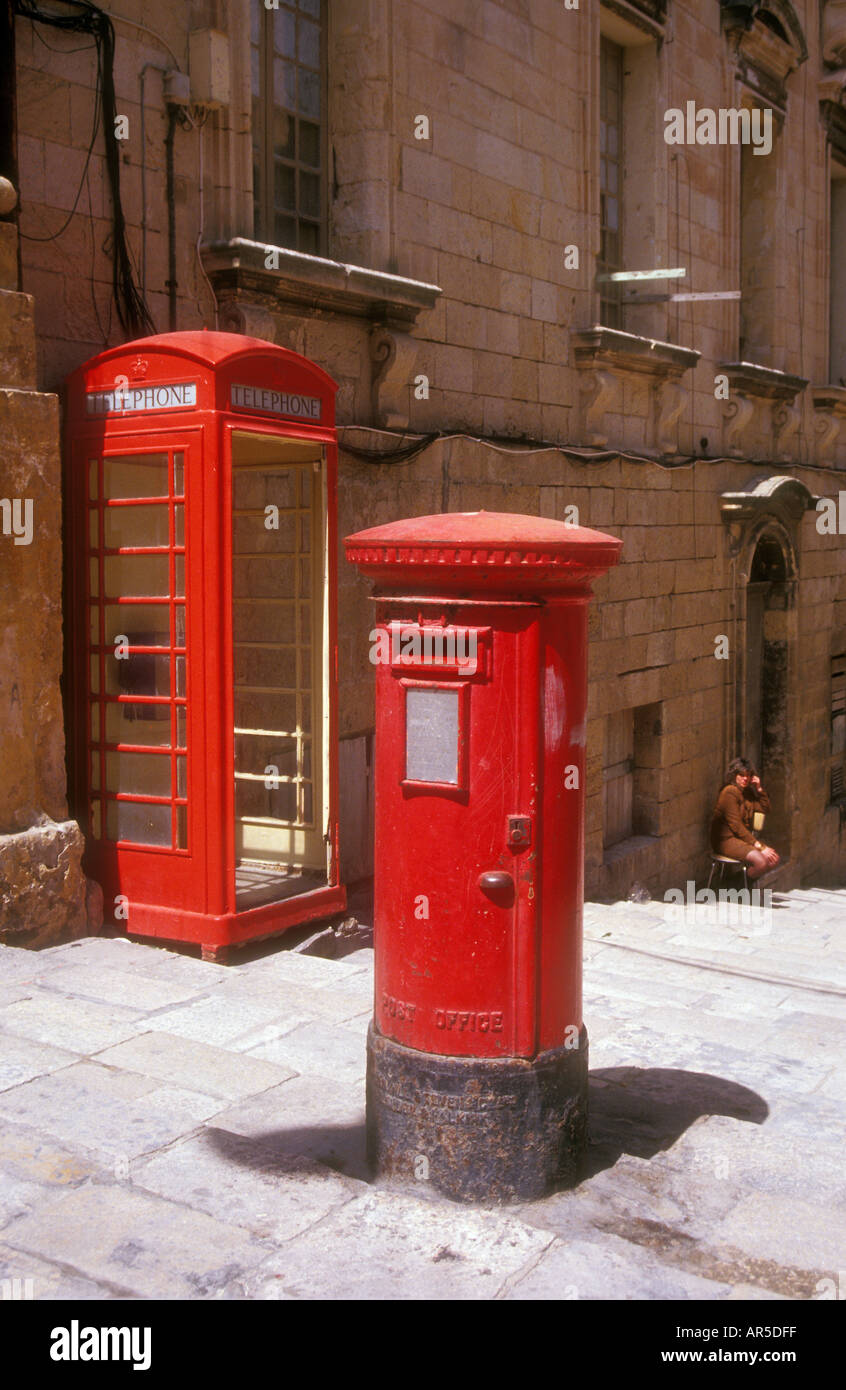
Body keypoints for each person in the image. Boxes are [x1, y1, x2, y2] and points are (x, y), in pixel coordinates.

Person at [710, 757, 780, 882]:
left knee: (773, 859)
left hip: (741, 839)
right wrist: (760, 846)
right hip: (726, 840)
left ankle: (735, 886)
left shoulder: (747, 792)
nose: (745, 779)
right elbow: (736, 825)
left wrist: (759, 789)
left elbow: (765, 809)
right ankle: (732, 888)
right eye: (741, 775)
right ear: (734, 775)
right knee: (761, 862)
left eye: (748, 775)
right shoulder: (729, 792)